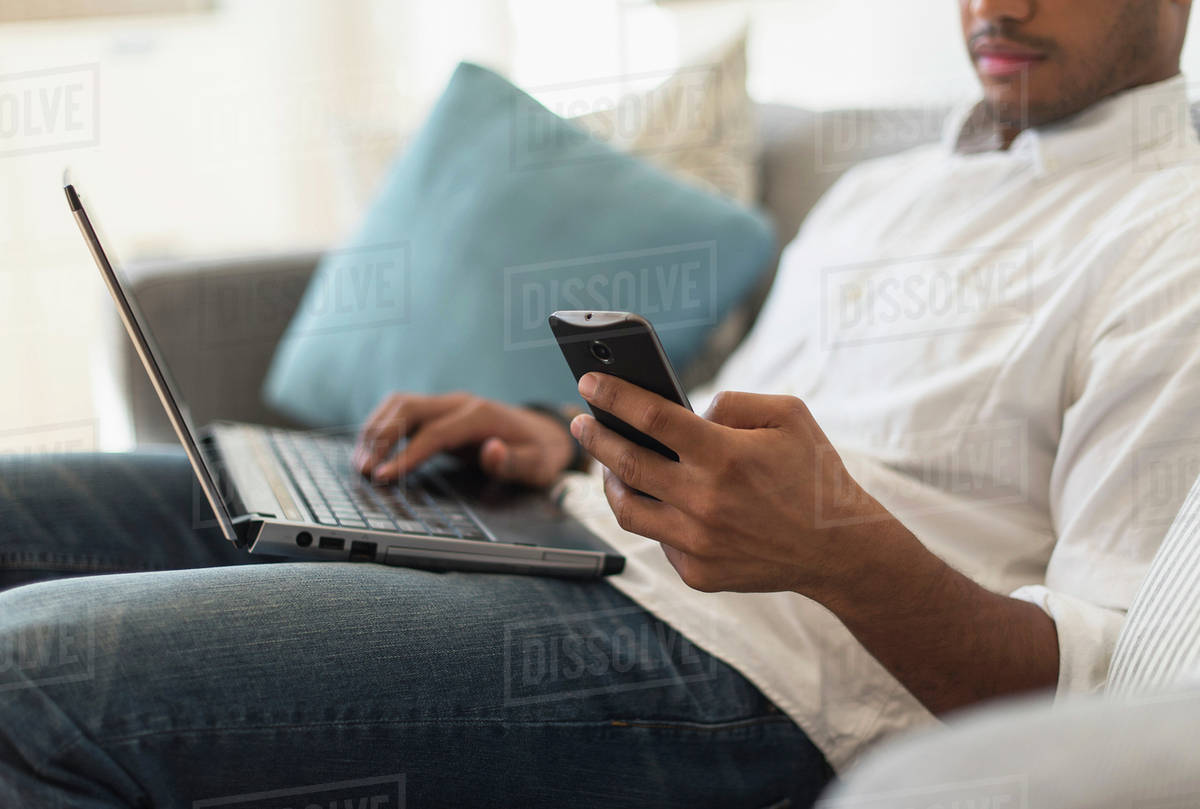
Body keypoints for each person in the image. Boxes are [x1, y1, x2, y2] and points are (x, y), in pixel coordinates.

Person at [3, 0, 1199, 805]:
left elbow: (1112, 697)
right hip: (585, 546)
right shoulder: (882, 192)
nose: (1004, 1)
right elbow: (731, 433)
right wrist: (558, 451)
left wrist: (841, 552)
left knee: (31, 680)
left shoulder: (1174, 235)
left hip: (749, 668)